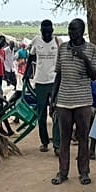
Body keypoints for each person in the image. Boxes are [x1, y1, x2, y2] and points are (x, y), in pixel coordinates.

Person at [51, 18, 96, 185]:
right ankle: (62, 173)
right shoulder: (63, 48)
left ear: (82, 31)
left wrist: (83, 58)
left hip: (83, 100)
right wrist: (53, 98)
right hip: (64, 100)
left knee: (83, 137)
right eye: (70, 29)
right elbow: (59, 74)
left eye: (74, 30)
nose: (71, 33)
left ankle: (84, 172)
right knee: (64, 138)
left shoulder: (91, 49)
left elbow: (94, 76)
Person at [30, 20, 61, 153]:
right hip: (40, 83)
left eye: (49, 32)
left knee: (57, 113)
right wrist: (26, 75)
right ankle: (44, 142)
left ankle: (57, 145)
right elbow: (31, 58)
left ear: (52, 31)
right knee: (41, 114)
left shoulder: (58, 42)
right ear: (41, 31)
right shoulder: (36, 41)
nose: (47, 35)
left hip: (54, 82)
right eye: (44, 32)